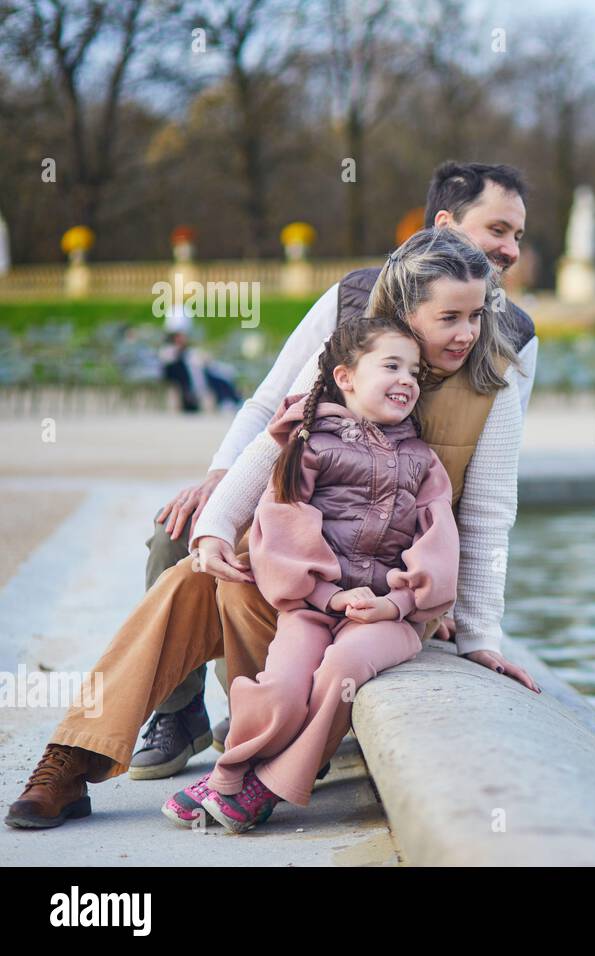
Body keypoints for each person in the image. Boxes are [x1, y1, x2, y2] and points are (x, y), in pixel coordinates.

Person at [5, 221, 538, 830]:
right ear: (408, 310)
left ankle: (251, 757)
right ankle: (69, 760)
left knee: (210, 587)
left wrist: (478, 636)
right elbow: (270, 440)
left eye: (475, 316)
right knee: (189, 579)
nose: (467, 333)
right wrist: (214, 525)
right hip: (304, 585)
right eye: (450, 319)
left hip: (377, 600)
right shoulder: (347, 356)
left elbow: (491, 515)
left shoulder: (494, 380)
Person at [126, 161, 538, 784]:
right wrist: (219, 478)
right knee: (178, 538)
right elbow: (273, 406)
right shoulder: (352, 298)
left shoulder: (510, 339)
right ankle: (179, 712)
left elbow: (487, 489)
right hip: (305, 500)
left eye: (518, 237)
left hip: (397, 535)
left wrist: (451, 600)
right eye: (499, 229)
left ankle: (262, 709)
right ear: (448, 225)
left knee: (294, 588)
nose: (511, 249)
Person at [165, 313, 460, 832]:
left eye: (415, 372)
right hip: (314, 607)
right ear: (346, 377)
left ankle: (266, 785)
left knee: (342, 671)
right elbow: (278, 531)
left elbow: (439, 546)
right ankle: (230, 773)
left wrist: (398, 604)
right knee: (280, 686)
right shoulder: (309, 445)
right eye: (391, 366)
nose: (407, 380)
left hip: (388, 619)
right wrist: (327, 597)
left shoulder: (423, 462)